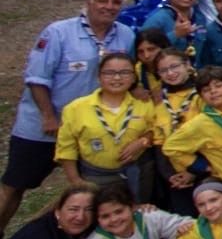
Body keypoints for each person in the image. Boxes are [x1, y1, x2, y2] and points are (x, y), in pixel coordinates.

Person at [3, 0, 135, 238]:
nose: (109, 6)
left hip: (89, 131)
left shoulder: (125, 35)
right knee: (14, 186)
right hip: (44, 129)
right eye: (103, 0)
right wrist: (48, 116)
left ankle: (51, 237)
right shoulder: (58, 32)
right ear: (89, 2)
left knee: (83, 192)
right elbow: (37, 78)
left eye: (115, 2)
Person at [52, 53, 158, 196]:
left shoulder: (145, 104)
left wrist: (143, 141)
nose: (117, 78)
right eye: (109, 73)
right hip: (94, 176)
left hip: (137, 174)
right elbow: (66, 148)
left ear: (134, 77)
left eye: (125, 72)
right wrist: (75, 180)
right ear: (99, 76)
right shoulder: (75, 108)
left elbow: (156, 130)